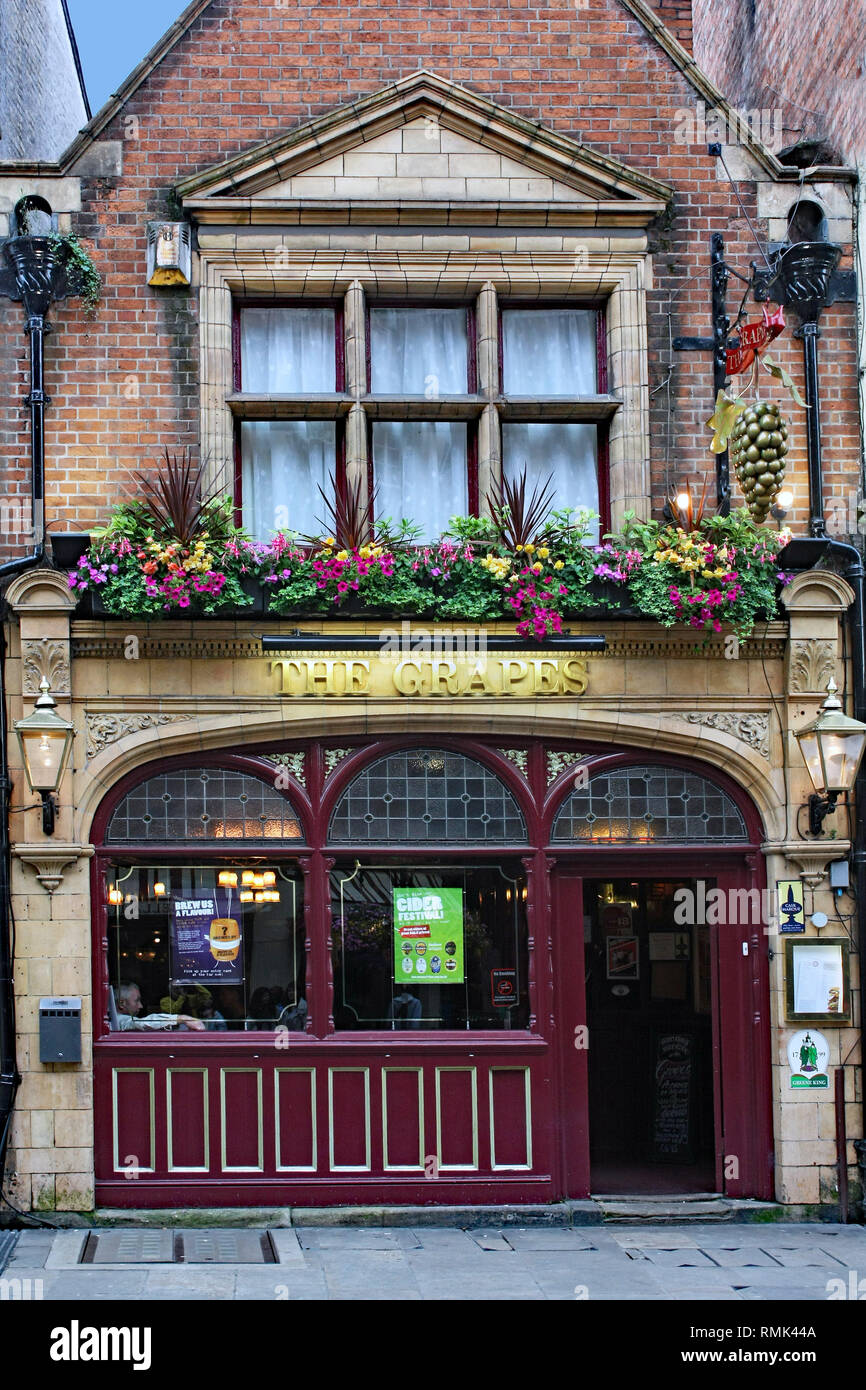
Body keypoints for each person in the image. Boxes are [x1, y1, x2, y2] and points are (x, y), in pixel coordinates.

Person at [113, 982, 205, 1032]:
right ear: (122, 1003)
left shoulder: (188, 997)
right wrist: (182, 1018)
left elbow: (206, 996)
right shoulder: (118, 1020)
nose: (141, 1006)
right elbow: (141, 1023)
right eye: (136, 1001)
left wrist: (193, 982)